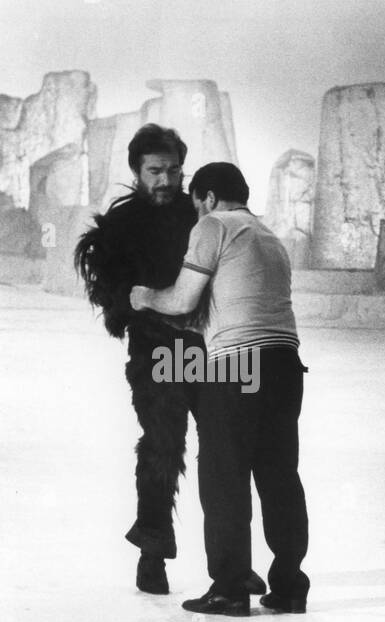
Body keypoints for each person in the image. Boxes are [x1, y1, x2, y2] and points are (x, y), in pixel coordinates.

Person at [73, 125, 265, 598]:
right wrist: (142, 310)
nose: (166, 180)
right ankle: (153, 552)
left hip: (211, 347)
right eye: (155, 171)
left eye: (174, 170)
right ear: (137, 171)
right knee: (162, 444)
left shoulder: (201, 215)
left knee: (227, 447)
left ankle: (233, 565)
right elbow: (115, 296)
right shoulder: (120, 228)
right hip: (158, 351)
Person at [129, 162, 309, 617]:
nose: (195, 214)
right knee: (279, 476)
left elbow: (184, 300)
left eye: (196, 204)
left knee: (223, 475)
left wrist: (145, 296)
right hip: (286, 364)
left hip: (237, 364)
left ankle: (229, 589)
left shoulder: (214, 224)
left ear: (208, 197)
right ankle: (288, 586)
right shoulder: (271, 238)